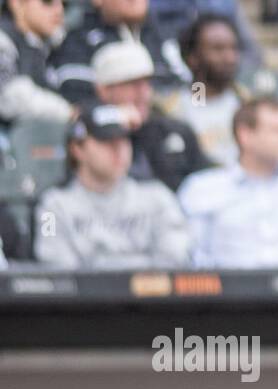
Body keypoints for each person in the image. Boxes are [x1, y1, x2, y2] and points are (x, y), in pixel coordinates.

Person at [178, 96, 278, 267]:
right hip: (227, 290)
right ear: (246, 135)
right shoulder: (202, 188)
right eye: (277, 130)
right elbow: (195, 256)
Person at [34, 103, 191, 267]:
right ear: (77, 149)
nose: (119, 150)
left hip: (150, 292)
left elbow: (176, 259)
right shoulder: (52, 207)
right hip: (86, 293)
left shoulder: (159, 198)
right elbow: (55, 267)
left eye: (124, 140)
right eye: (107, 141)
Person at [92, 39, 211, 191]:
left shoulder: (174, 130)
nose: (144, 93)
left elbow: (207, 182)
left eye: (147, 82)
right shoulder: (91, 137)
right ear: (104, 90)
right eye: (132, 84)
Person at [49, 0, 189, 107]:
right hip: (112, 135)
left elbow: (195, 85)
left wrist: (199, 107)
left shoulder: (162, 36)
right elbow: (77, 100)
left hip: (169, 131)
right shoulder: (79, 40)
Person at [158, 12, 248, 166]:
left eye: (233, 48)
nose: (230, 58)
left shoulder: (247, 102)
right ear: (192, 58)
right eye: (218, 49)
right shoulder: (173, 110)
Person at [0, 0, 74, 124]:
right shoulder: (3, 41)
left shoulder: (57, 43)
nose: (59, 10)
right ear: (17, 4)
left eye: (63, 4)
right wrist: (68, 112)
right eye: (47, 2)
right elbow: (8, 97)